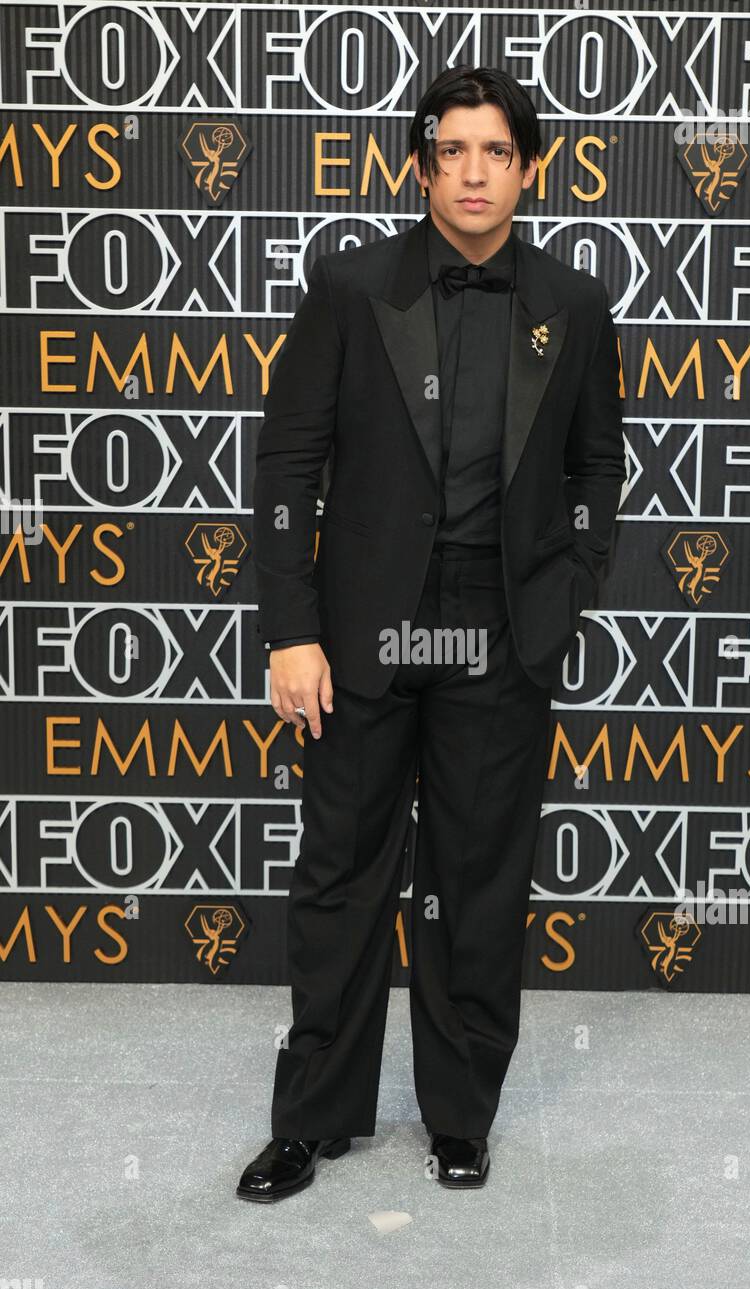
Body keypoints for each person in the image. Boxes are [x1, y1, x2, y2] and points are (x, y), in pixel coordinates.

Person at [237, 64, 626, 1202]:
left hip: (498, 634)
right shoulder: (350, 289)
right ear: (419, 166)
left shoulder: (574, 303)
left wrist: (571, 584)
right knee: (343, 878)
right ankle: (309, 1122)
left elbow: (595, 465)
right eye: (450, 150)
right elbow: (287, 463)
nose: (471, 172)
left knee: (474, 883)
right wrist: (290, 630)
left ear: (527, 167)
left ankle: (461, 1115)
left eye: (493, 152)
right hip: (363, 630)